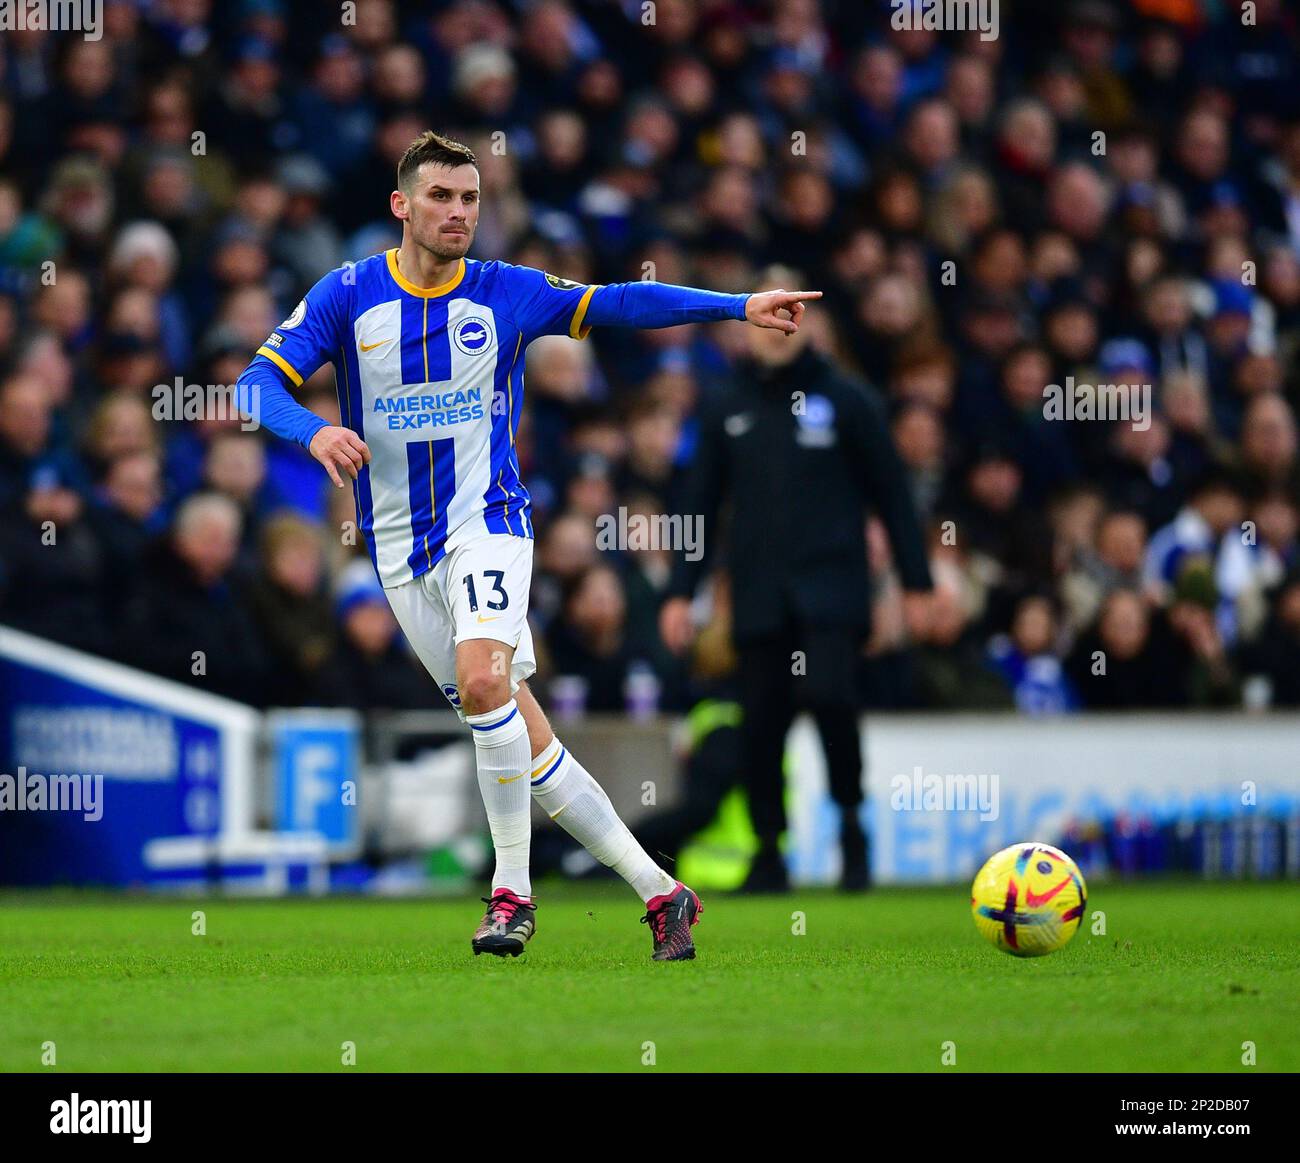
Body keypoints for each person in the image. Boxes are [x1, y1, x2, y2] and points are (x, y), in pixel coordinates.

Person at [233, 131, 822, 961]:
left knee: (482, 683)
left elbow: (617, 302)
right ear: (402, 205)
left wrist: (736, 306)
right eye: (441, 196)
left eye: (471, 198)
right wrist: (313, 430)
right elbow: (252, 384)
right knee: (520, 735)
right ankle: (663, 892)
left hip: (489, 525)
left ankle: (511, 894)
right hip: (399, 552)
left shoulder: (505, 291)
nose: (458, 213)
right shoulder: (347, 294)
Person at [660, 267, 933, 892]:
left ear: (809, 322)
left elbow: (892, 494)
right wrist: (680, 592)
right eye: (771, 311)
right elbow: (696, 507)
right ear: (751, 323)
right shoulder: (727, 404)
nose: (780, 325)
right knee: (762, 723)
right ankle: (769, 849)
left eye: (793, 311)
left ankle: (851, 831)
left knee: (834, 700)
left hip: (834, 593)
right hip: (758, 595)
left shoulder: (849, 399)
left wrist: (916, 584)